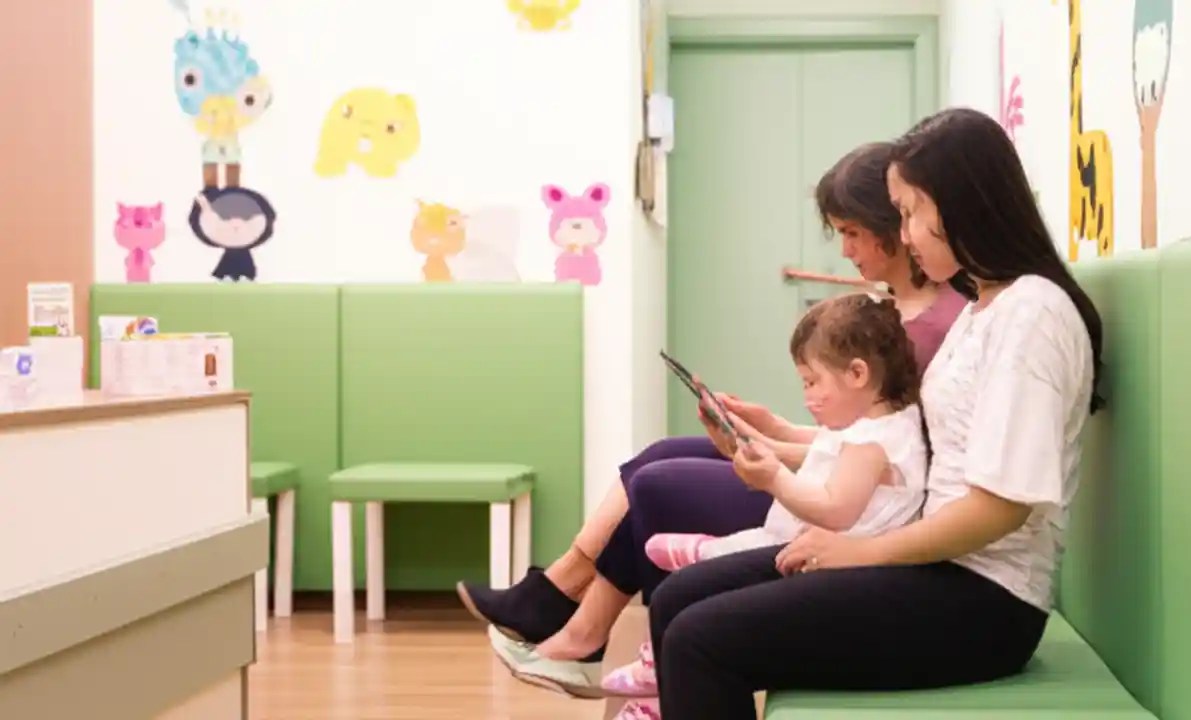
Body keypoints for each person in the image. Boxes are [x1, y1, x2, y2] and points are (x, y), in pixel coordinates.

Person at [642, 106, 1105, 720]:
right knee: (676, 598)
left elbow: (1001, 508)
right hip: (938, 566)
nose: (904, 235)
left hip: (987, 602)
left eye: (910, 213)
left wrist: (861, 551)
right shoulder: (983, 308)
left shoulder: (1033, 314)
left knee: (700, 641)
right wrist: (779, 445)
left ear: (960, 204)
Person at [457, 142, 968, 694]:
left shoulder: (932, 330)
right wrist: (770, 429)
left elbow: (880, 457)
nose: (844, 250)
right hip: (840, 476)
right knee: (661, 454)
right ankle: (563, 599)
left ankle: (581, 628)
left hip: (848, 505)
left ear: (890, 224)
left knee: (657, 484)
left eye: (851, 232)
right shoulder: (893, 307)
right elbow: (857, 440)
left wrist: (774, 456)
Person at [599, 293, 928, 706]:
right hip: (817, 549)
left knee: (698, 602)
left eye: (812, 382)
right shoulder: (881, 423)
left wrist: (773, 478)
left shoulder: (872, 440)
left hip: (836, 566)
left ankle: (707, 560)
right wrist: (758, 436)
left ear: (857, 373)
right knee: (685, 593)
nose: (807, 397)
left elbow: (834, 510)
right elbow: (823, 451)